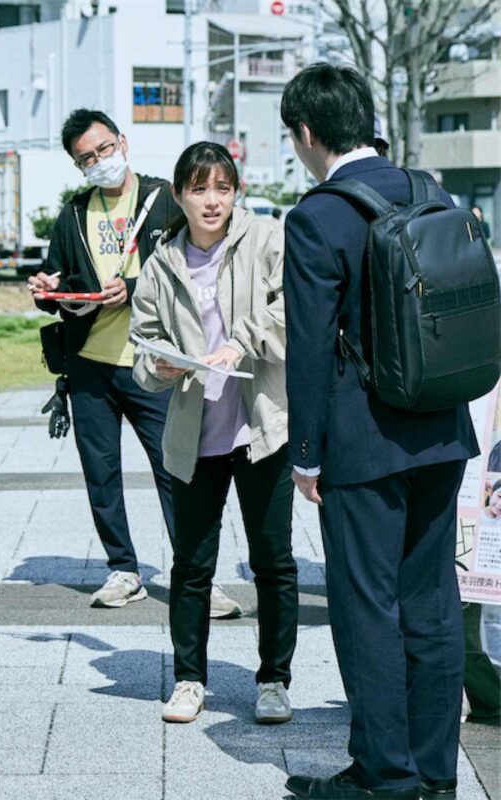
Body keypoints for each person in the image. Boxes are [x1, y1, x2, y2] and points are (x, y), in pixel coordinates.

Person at [279, 63, 478, 800]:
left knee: (367, 607)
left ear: (306, 132)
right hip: (444, 428)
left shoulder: (317, 217)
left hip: (364, 445)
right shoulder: (433, 192)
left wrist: (305, 455)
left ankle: (383, 777)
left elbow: (307, 348)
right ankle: (436, 773)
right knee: (431, 602)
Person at [25, 108, 242, 617]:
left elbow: (201, 268)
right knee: (100, 472)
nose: (98, 162)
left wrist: (136, 289)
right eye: (86, 159)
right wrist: (47, 289)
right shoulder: (75, 213)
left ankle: (196, 576)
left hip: (154, 362)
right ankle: (123, 569)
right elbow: (59, 275)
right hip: (89, 363)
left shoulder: (166, 199)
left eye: (103, 149)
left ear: (122, 142)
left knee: (176, 472)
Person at [130, 142, 298, 726]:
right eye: (199, 189)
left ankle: (274, 680)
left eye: (223, 189)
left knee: (272, 560)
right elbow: (141, 350)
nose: (212, 201)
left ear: (236, 192)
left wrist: (239, 340)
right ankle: (188, 679)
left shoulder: (267, 239)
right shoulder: (160, 263)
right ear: (179, 195)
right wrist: (162, 365)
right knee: (192, 563)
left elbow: (292, 310)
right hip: (195, 434)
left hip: (260, 427)